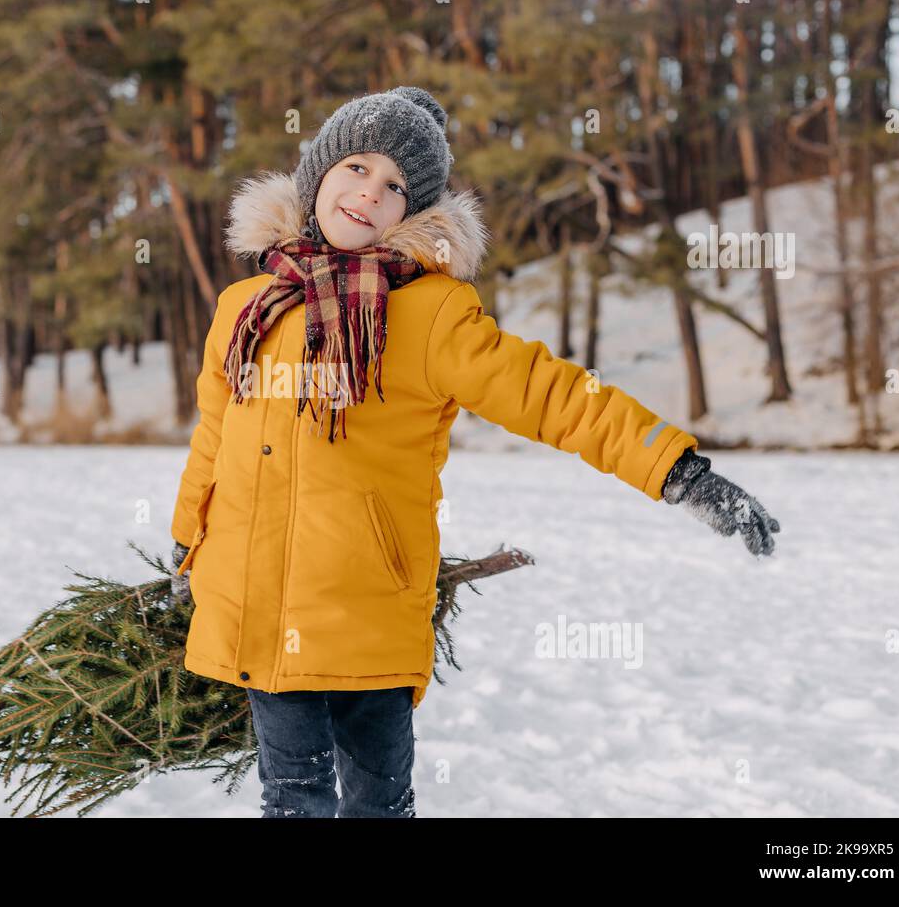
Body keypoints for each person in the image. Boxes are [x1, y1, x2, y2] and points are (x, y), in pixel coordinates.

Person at [166, 86, 781, 817]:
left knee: (379, 808)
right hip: (260, 612)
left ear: (415, 210)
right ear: (316, 174)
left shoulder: (430, 315)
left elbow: (551, 395)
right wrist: (187, 544)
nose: (370, 192)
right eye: (357, 167)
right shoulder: (246, 306)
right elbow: (214, 435)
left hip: (372, 615)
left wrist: (679, 472)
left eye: (395, 186)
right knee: (292, 803)